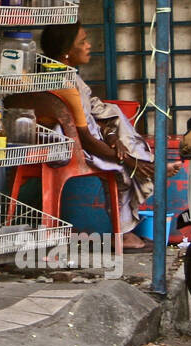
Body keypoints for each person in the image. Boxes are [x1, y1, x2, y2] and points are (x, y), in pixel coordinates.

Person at [40, 24, 169, 251]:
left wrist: (111, 136)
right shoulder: (66, 83)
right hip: (71, 147)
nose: (89, 45)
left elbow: (92, 115)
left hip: (80, 139)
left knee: (114, 115)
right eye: (83, 42)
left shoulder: (63, 76)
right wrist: (128, 160)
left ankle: (146, 163)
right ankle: (125, 233)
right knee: (123, 171)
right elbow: (85, 138)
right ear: (66, 53)